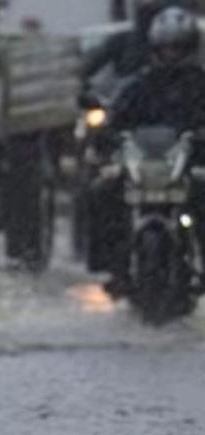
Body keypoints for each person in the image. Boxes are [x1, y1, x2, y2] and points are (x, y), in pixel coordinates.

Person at [94, 5, 205, 296]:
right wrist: (107, 134)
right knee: (102, 192)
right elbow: (114, 119)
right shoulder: (138, 86)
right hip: (145, 168)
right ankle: (113, 267)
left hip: (190, 166)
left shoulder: (200, 85)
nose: (171, 55)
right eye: (166, 49)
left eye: (178, 49)